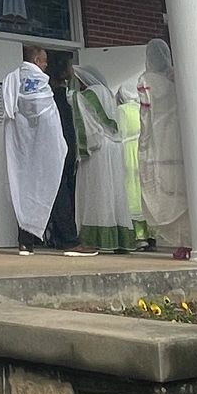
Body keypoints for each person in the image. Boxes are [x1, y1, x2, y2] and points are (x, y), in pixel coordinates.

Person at [0, 44, 66, 251]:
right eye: (45, 60)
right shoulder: (39, 83)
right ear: (37, 61)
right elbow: (46, 116)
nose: (46, 65)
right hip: (43, 146)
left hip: (21, 146)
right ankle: (66, 238)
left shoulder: (13, 79)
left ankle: (25, 241)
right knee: (49, 187)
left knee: (24, 189)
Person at [70, 61, 133, 252]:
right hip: (114, 146)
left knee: (97, 193)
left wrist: (70, 95)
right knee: (115, 192)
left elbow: (85, 118)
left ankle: (96, 240)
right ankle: (121, 239)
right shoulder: (108, 93)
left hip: (98, 148)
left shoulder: (88, 94)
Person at [138, 38, 191, 254]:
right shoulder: (176, 77)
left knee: (165, 192)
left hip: (157, 144)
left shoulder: (146, 80)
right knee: (182, 194)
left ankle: (177, 242)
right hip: (177, 142)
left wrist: (143, 145)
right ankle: (190, 239)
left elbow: (145, 117)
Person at [44, 52, 80, 250]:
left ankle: (60, 235)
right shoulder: (59, 98)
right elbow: (67, 129)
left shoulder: (59, 97)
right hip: (62, 152)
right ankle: (66, 237)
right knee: (62, 195)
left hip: (61, 151)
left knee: (61, 194)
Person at [117, 80, 152, 249]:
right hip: (142, 150)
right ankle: (151, 233)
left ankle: (138, 235)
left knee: (131, 193)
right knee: (144, 191)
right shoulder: (141, 108)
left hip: (127, 152)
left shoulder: (121, 111)